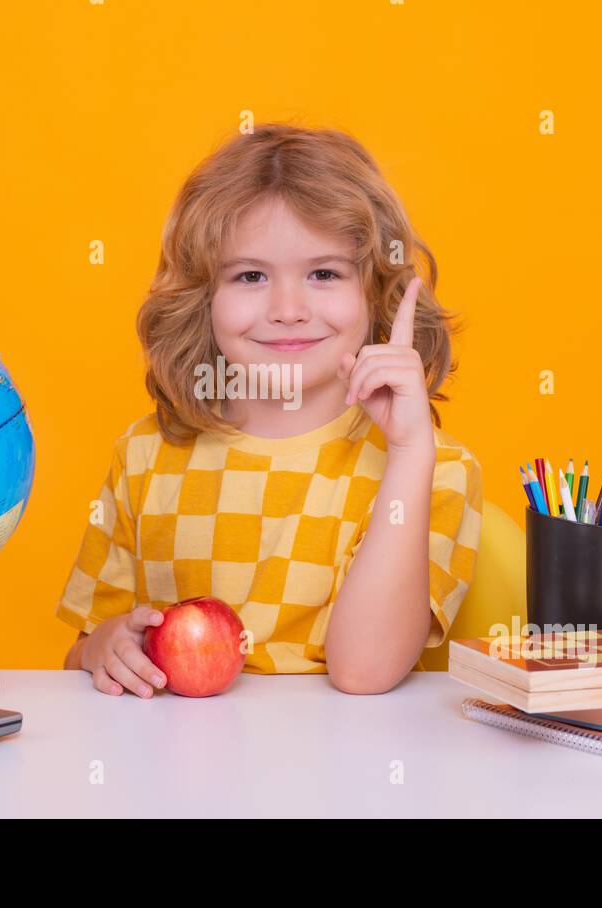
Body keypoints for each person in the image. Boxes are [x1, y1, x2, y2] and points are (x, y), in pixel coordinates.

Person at [57, 122, 483, 696]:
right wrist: (103, 647)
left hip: (351, 776)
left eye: (324, 273)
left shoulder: (434, 470)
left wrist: (408, 453)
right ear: (201, 298)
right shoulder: (143, 457)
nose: (287, 309)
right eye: (251, 275)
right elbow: (82, 653)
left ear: (376, 291)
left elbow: (365, 671)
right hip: (180, 775)